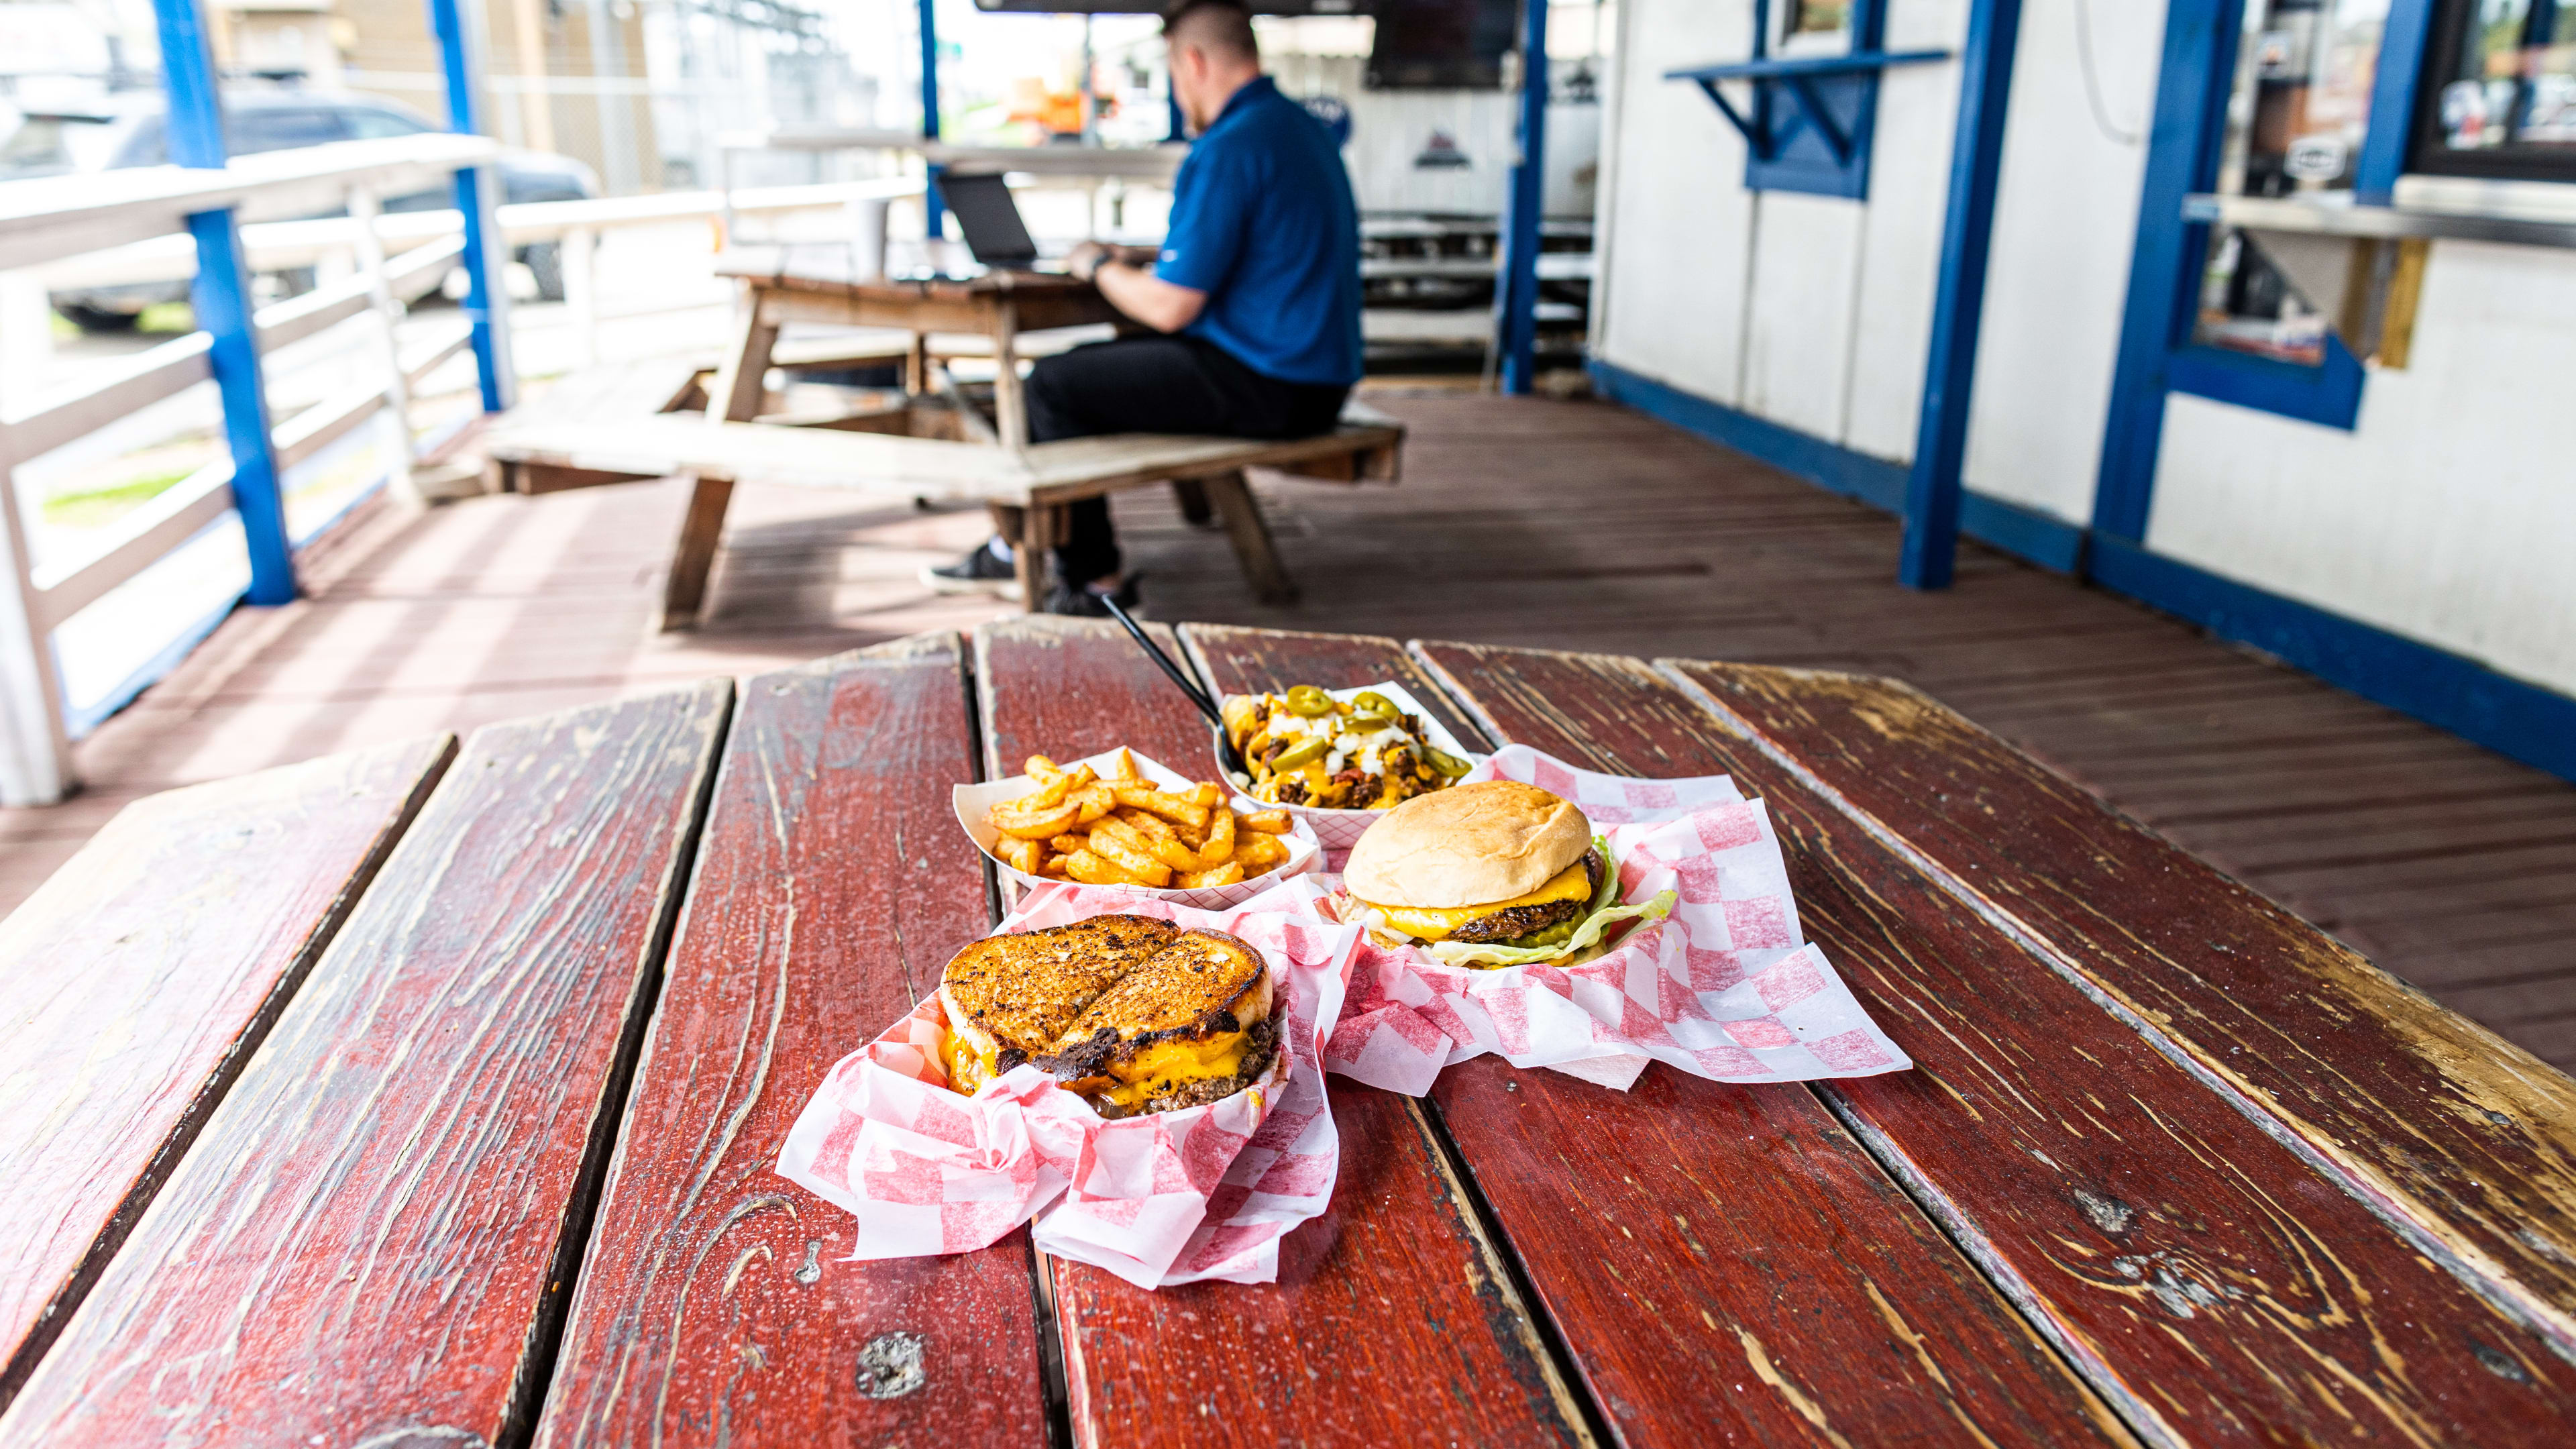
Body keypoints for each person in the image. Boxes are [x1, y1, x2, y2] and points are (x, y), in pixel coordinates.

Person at [923, 0, 1362, 616]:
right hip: (1317, 377)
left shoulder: (1230, 147)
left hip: (1272, 383)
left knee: (1053, 386)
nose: (1181, 99)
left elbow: (1171, 307)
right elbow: (1251, 249)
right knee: (1092, 369)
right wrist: (1141, 257)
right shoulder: (1296, 128)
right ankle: (1014, 540)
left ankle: (1095, 583)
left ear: (1194, 62)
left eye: (1174, 78)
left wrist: (1097, 265)